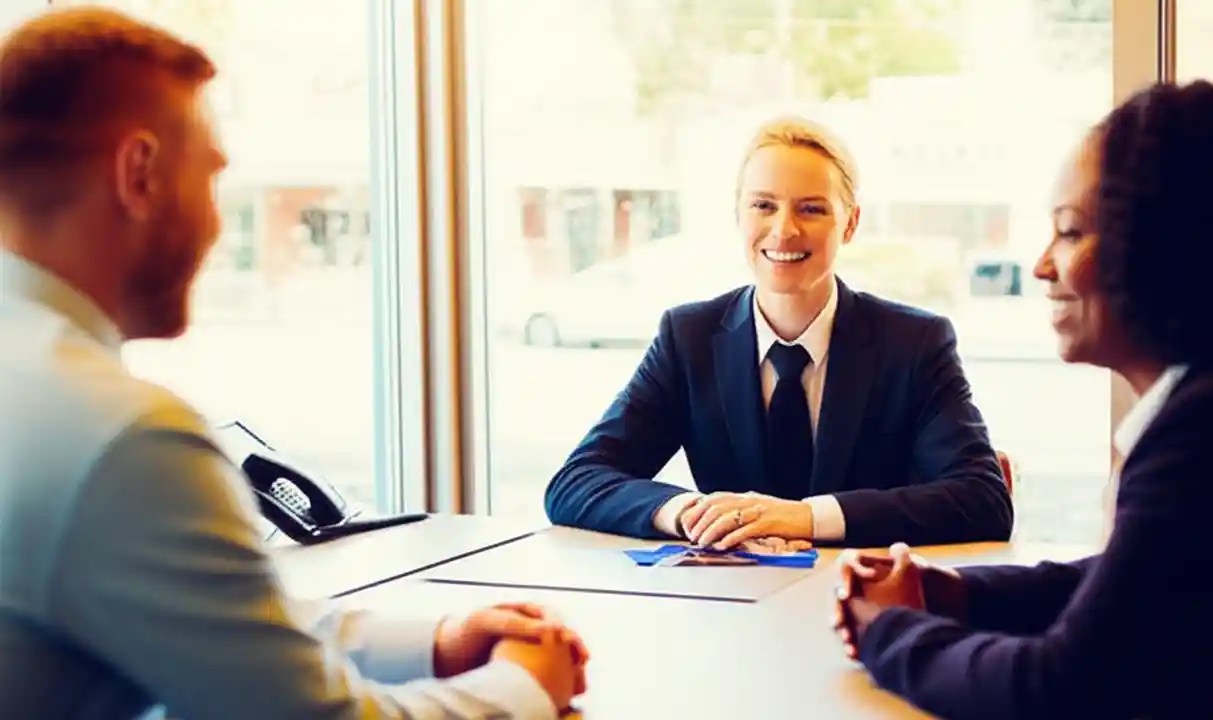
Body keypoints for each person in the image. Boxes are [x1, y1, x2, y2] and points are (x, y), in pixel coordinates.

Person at [0, 8, 586, 719]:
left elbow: (217, 617)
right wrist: (526, 686)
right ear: (140, 173)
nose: (217, 223)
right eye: (211, 176)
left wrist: (434, 642)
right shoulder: (123, 439)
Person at [832, 80, 1213, 718]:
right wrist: (949, 593)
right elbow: (1129, 582)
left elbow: (1058, 688)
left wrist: (888, 630)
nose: (1042, 266)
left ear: (1167, 245)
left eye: (1069, 233)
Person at [545, 116, 1013, 548]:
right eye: (763, 206)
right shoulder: (688, 339)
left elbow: (983, 499)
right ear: (738, 216)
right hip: (732, 604)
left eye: (811, 209)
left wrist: (804, 518)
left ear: (849, 223)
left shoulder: (914, 345)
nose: (783, 230)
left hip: (866, 611)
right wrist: (689, 512)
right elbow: (577, 481)